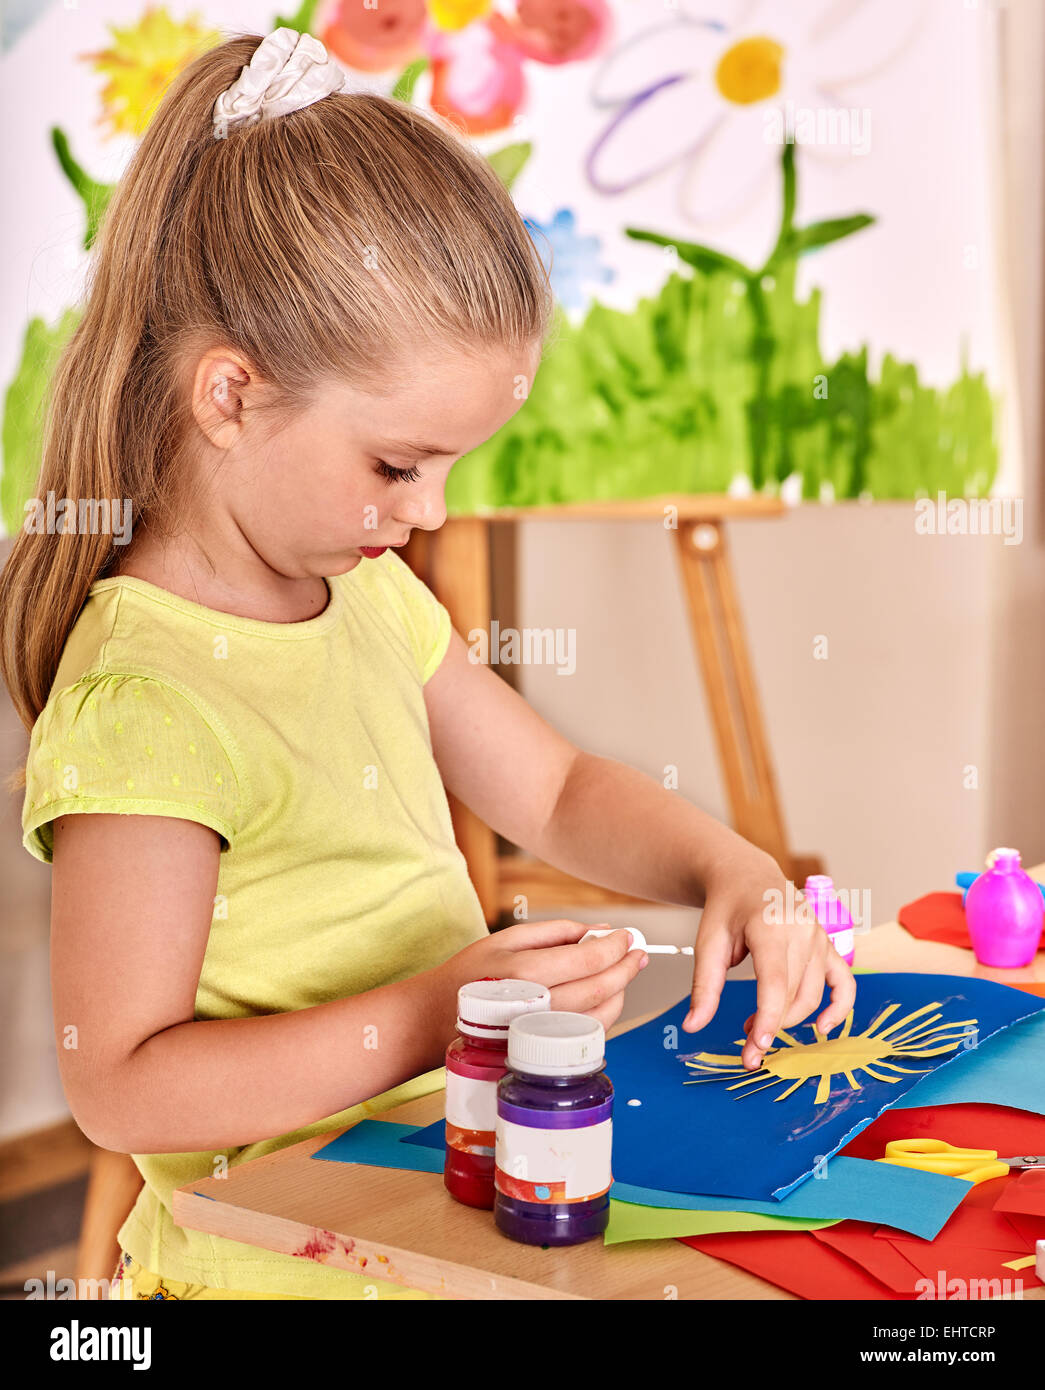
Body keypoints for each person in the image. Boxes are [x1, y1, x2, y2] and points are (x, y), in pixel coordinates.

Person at [0, 28, 854, 1299]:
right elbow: (122, 1084)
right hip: (277, 1258)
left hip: (439, 1198)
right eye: (399, 464)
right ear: (229, 397)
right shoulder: (147, 701)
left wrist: (728, 868)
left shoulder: (366, 594)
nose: (434, 513)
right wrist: (432, 1005)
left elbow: (556, 792)